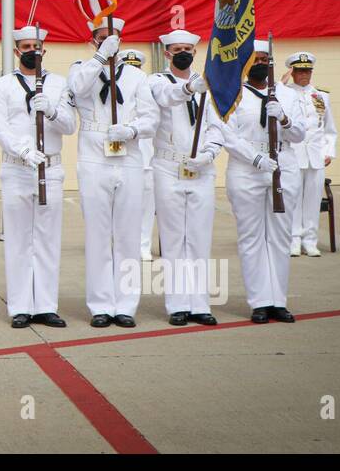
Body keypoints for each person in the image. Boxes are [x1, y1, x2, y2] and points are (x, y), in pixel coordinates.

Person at [68, 22, 157, 328]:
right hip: (93, 156)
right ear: (92, 41)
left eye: (112, 38)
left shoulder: (137, 76)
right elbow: (76, 88)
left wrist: (132, 129)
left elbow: (151, 119)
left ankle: (126, 305)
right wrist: (98, 60)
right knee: (97, 233)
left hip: (128, 154)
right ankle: (100, 304)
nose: (107, 42)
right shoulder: (82, 69)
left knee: (128, 234)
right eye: (101, 38)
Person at [0, 25, 77, 328]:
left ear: (44, 49)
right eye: (25, 47)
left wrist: (51, 111)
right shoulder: (2, 86)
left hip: (50, 169)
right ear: (16, 51)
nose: (31, 51)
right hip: (16, 168)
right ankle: (20, 306)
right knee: (19, 239)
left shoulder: (59, 84)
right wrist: (24, 151)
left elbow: (69, 126)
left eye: (36, 46)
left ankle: (46, 305)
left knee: (47, 240)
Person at [218, 40, 308, 324]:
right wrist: (256, 159)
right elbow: (227, 136)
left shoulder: (288, 94)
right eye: (254, 58)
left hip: (283, 166)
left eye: (264, 58)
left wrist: (283, 119)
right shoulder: (232, 93)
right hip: (246, 170)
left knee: (280, 237)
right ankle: (259, 301)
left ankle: (277, 301)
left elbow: (300, 134)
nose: (259, 63)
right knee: (251, 237)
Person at [148, 30, 227, 326]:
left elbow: (217, 124)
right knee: (173, 238)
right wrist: (188, 90)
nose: (182, 53)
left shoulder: (210, 84)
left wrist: (209, 153)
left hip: (201, 169)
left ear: (195, 52)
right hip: (169, 167)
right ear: (167, 53)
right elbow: (166, 98)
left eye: (187, 49)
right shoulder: (157, 81)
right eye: (176, 49)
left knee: (198, 237)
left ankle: (200, 303)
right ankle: (177, 304)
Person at [282, 52, 338, 256]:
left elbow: (329, 129)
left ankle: (310, 240)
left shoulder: (320, 96)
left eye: (307, 70)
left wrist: (328, 151)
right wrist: (281, 84)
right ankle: (294, 239)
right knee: (293, 200)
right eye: (299, 70)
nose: (304, 74)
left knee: (313, 201)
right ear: (293, 72)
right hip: (293, 156)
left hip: (315, 156)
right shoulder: (285, 93)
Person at [119, 50, 158, 262]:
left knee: (146, 207)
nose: (133, 71)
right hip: (124, 157)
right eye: (129, 67)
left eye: (136, 67)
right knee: (123, 207)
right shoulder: (116, 91)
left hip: (148, 158)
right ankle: (124, 243)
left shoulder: (149, 88)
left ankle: (144, 246)